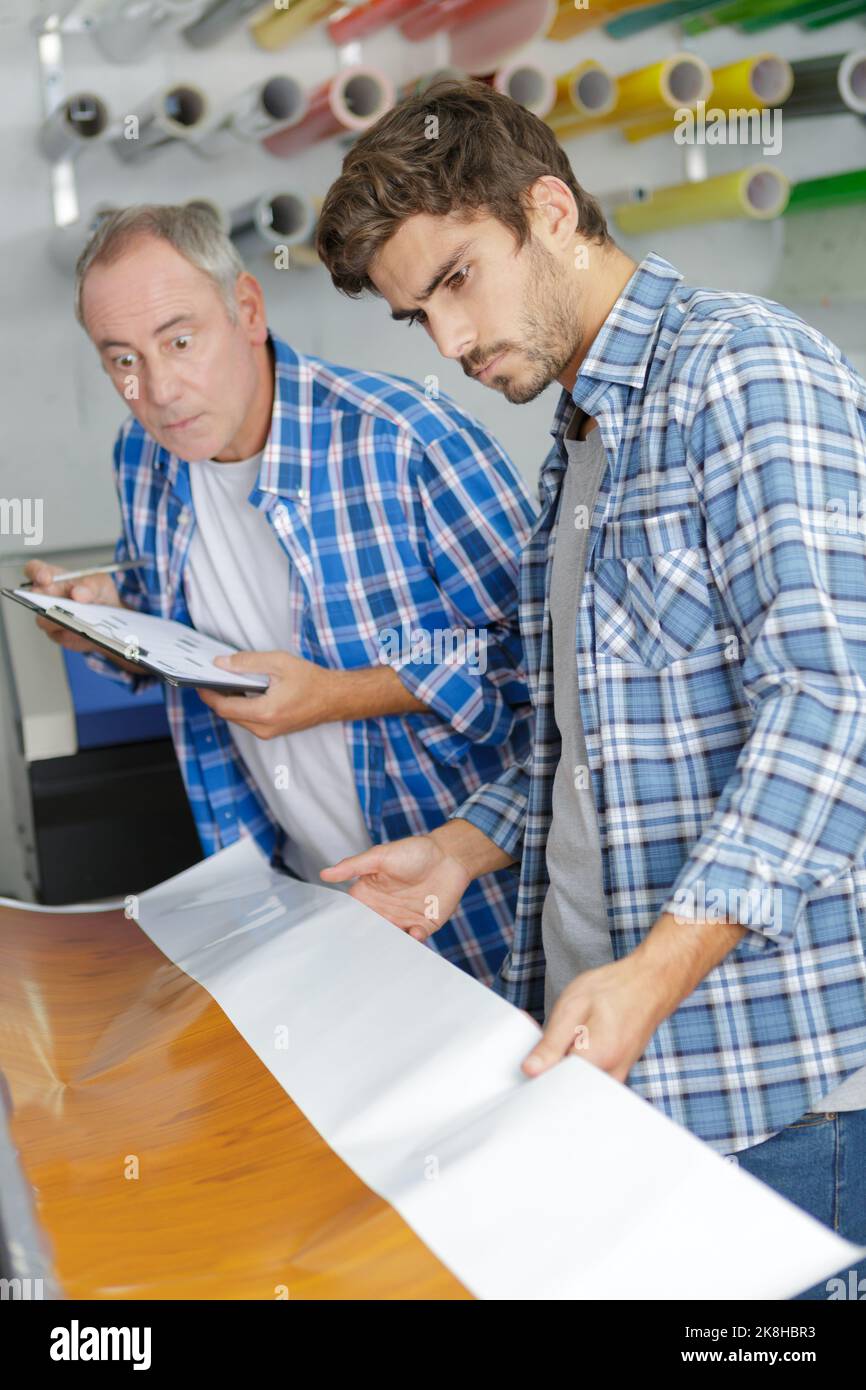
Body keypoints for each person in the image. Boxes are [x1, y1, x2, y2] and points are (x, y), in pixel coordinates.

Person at [315, 78, 866, 1294]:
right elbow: (587, 738)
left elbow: (835, 708)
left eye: (455, 279)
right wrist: (465, 844)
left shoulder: (743, 373)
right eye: (418, 317)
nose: (450, 346)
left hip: (771, 1091)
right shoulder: (580, 434)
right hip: (624, 1070)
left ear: (550, 210)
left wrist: (656, 971)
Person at [25, 202, 536, 986]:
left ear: (249, 311)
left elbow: (545, 674)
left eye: (180, 340)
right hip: (309, 904)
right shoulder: (145, 459)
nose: (157, 389)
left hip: (483, 916)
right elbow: (186, 618)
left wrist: (334, 695)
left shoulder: (406, 441)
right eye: (121, 359)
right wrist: (107, 616)